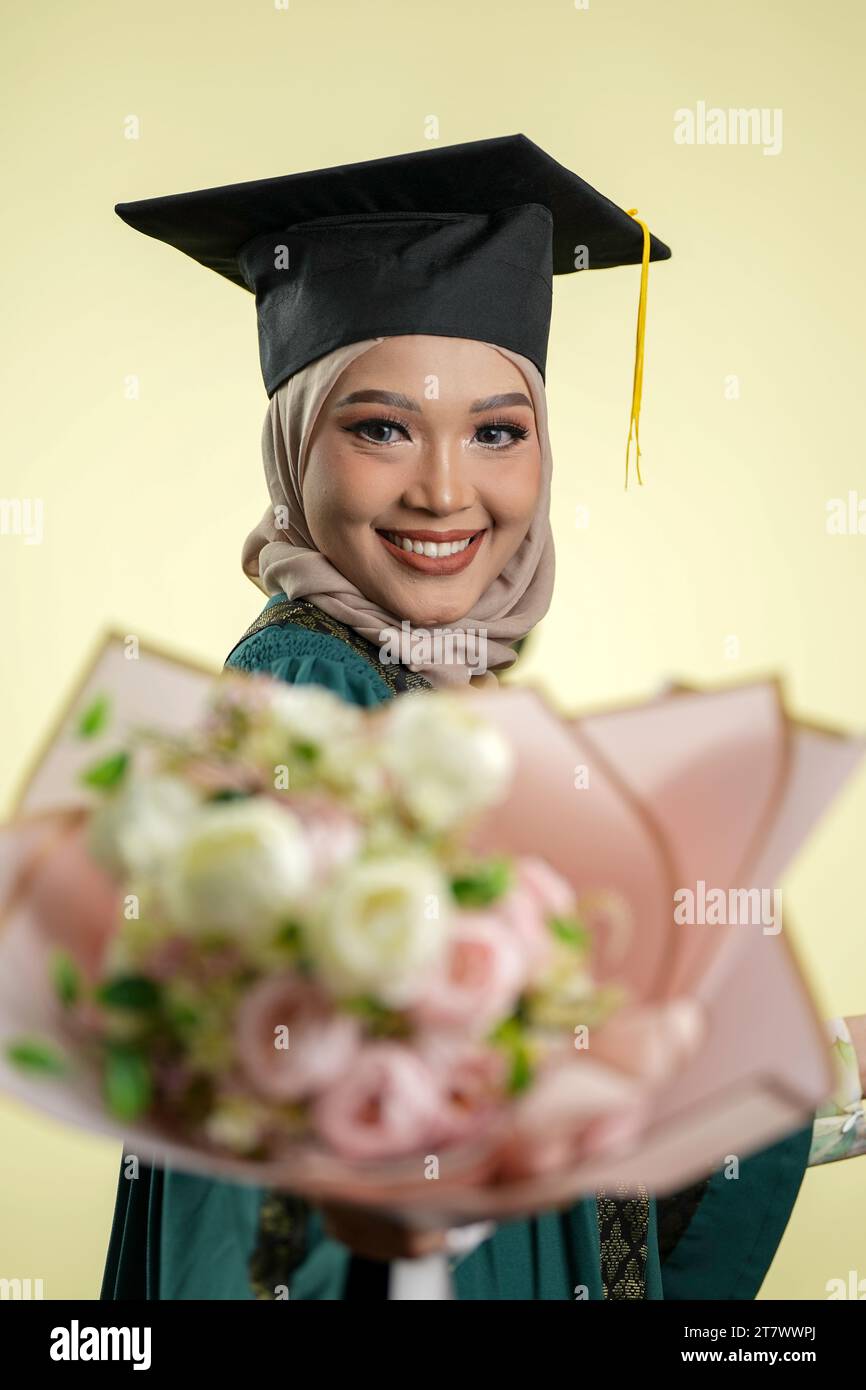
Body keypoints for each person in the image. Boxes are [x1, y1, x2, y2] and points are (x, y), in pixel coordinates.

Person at [101, 136, 855, 1300]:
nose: (446, 492)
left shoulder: (450, 704)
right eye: (380, 427)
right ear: (296, 447)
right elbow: (262, 1205)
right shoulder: (309, 708)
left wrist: (780, 1090)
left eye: (496, 431)